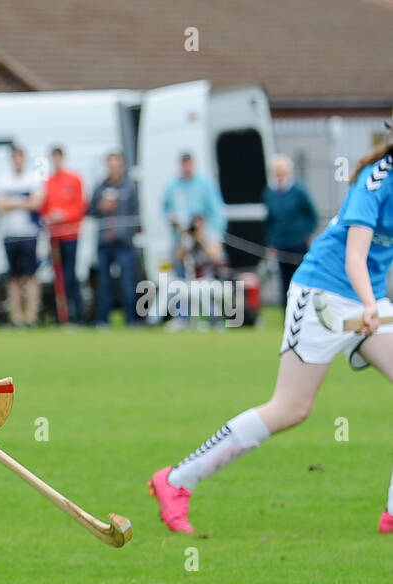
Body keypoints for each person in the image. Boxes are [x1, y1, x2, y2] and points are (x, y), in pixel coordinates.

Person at [149, 127, 393, 534]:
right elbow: (355, 256)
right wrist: (370, 304)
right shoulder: (378, 180)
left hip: (370, 299)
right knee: (291, 408)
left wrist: (372, 304)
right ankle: (176, 481)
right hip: (323, 295)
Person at [88, 152, 140, 326]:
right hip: (104, 243)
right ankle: (103, 320)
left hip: (123, 243)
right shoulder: (100, 187)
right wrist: (100, 206)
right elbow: (90, 210)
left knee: (127, 283)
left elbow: (136, 213)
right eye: (111, 165)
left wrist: (129, 232)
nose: (114, 169)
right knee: (104, 284)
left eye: (116, 165)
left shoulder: (129, 187)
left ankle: (131, 320)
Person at [0, 145, 43, 327]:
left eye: (20, 157)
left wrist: (12, 203)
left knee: (31, 276)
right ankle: (16, 317)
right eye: (14, 157)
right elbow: (0, 205)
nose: (17, 161)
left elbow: (37, 203)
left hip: (29, 233)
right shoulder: (4, 180)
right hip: (10, 234)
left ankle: (31, 317)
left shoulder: (32, 179)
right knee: (13, 277)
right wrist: (24, 201)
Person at [263, 154, 318, 307]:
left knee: (301, 279)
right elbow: (269, 220)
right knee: (284, 281)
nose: (279, 176)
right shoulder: (270, 193)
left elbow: (311, 214)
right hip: (280, 243)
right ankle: (286, 312)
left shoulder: (299, 191)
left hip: (298, 243)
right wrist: (271, 243)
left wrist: (305, 234)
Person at [41, 146, 87, 324]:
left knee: (70, 275)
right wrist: (49, 217)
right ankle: (63, 316)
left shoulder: (74, 179)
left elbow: (79, 206)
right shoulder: (48, 182)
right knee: (58, 277)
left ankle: (78, 315)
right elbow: (44, 207)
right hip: (54, 237)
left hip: (71, 234)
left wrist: (64, 215)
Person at [163, 152, 226, 273]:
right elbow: (165, 209)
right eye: (184, 164)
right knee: (180, 266)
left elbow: (217, 210)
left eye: (189, 164)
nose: (187, 167)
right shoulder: (172, 187)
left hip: (204, 233)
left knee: (211, 263)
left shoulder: (205, 184)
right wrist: (173, 219)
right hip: (181, 235)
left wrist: (213, 234)